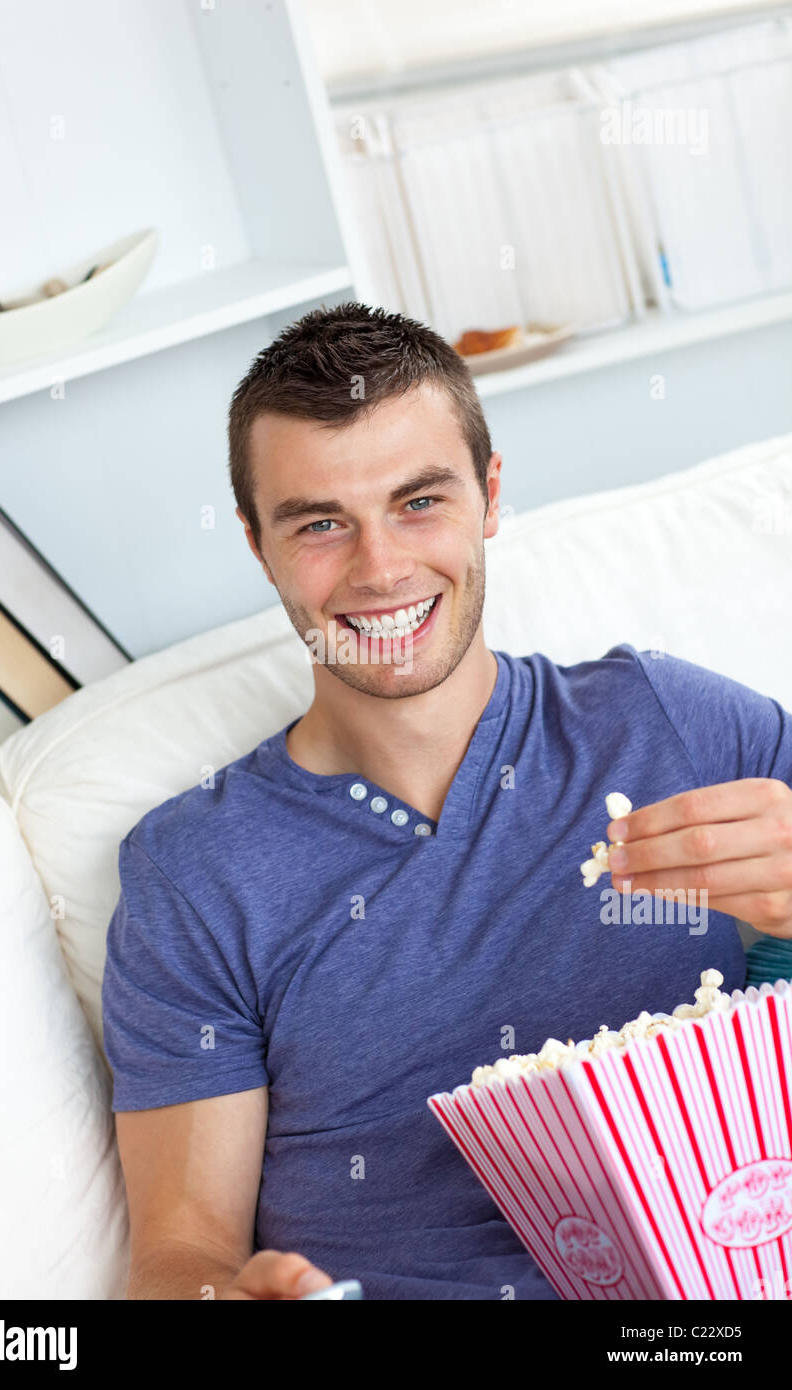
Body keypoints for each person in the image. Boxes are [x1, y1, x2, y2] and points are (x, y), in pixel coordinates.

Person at [101, 303, 792, 1301]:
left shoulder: (660, 719)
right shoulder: (195, 872)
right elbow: (179, 1252)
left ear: (489, 495)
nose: (380, 569)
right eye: (321, 523)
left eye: (418, 501)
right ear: (256, 543)